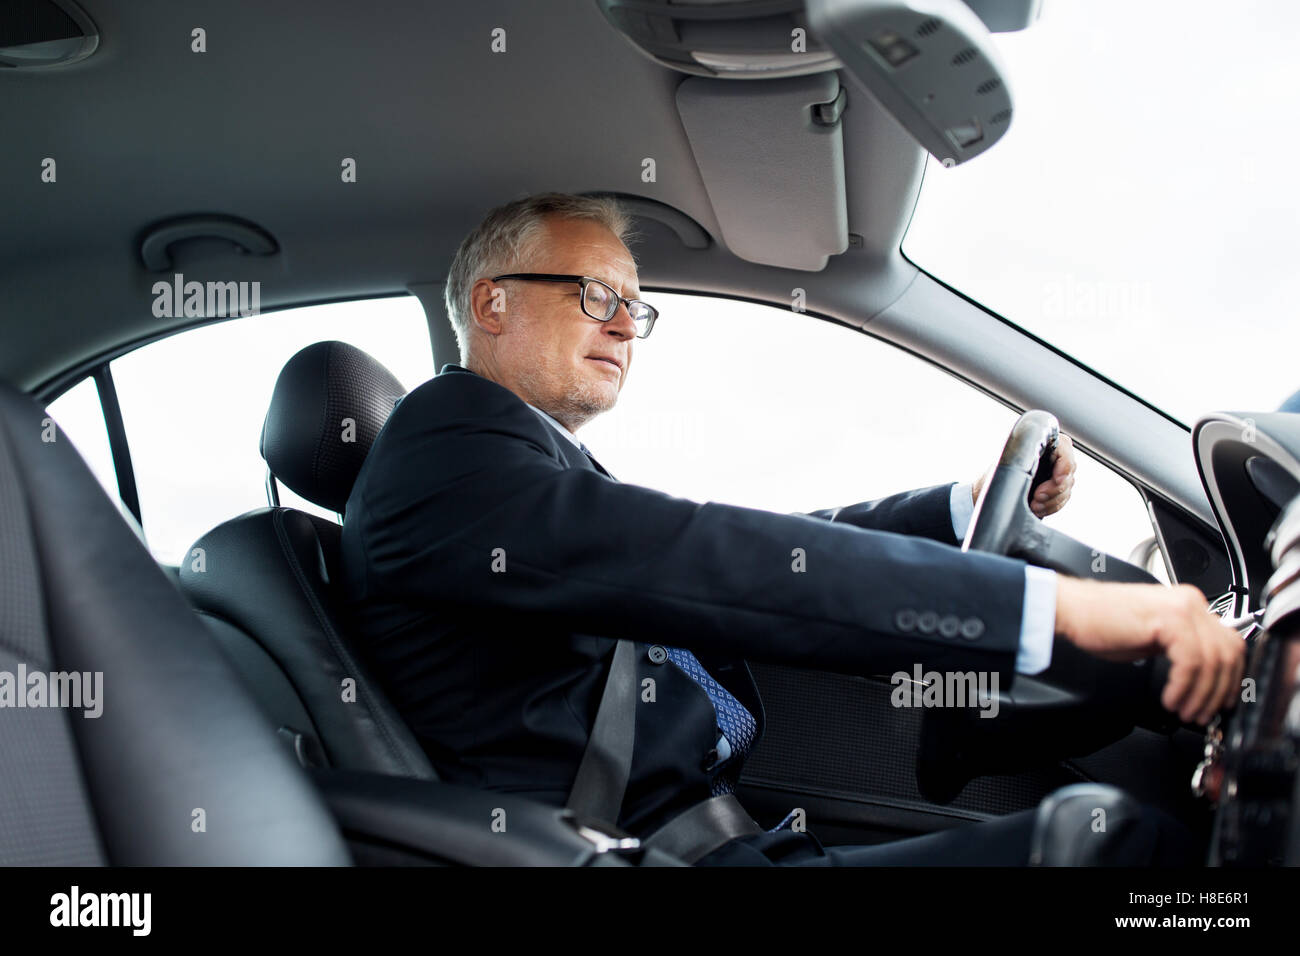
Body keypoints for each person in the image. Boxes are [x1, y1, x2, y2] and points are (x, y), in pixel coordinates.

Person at [339, 193, 1244, 865]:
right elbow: (702, 558)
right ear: (492, 303)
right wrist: (1054, 609)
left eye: (635, 306)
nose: (625, 325)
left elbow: (760, 544)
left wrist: (964, 511)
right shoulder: (444, 444)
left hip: (719, 843)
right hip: (642, 856)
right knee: (1114, 852)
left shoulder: (524, 471)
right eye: (592, 294)